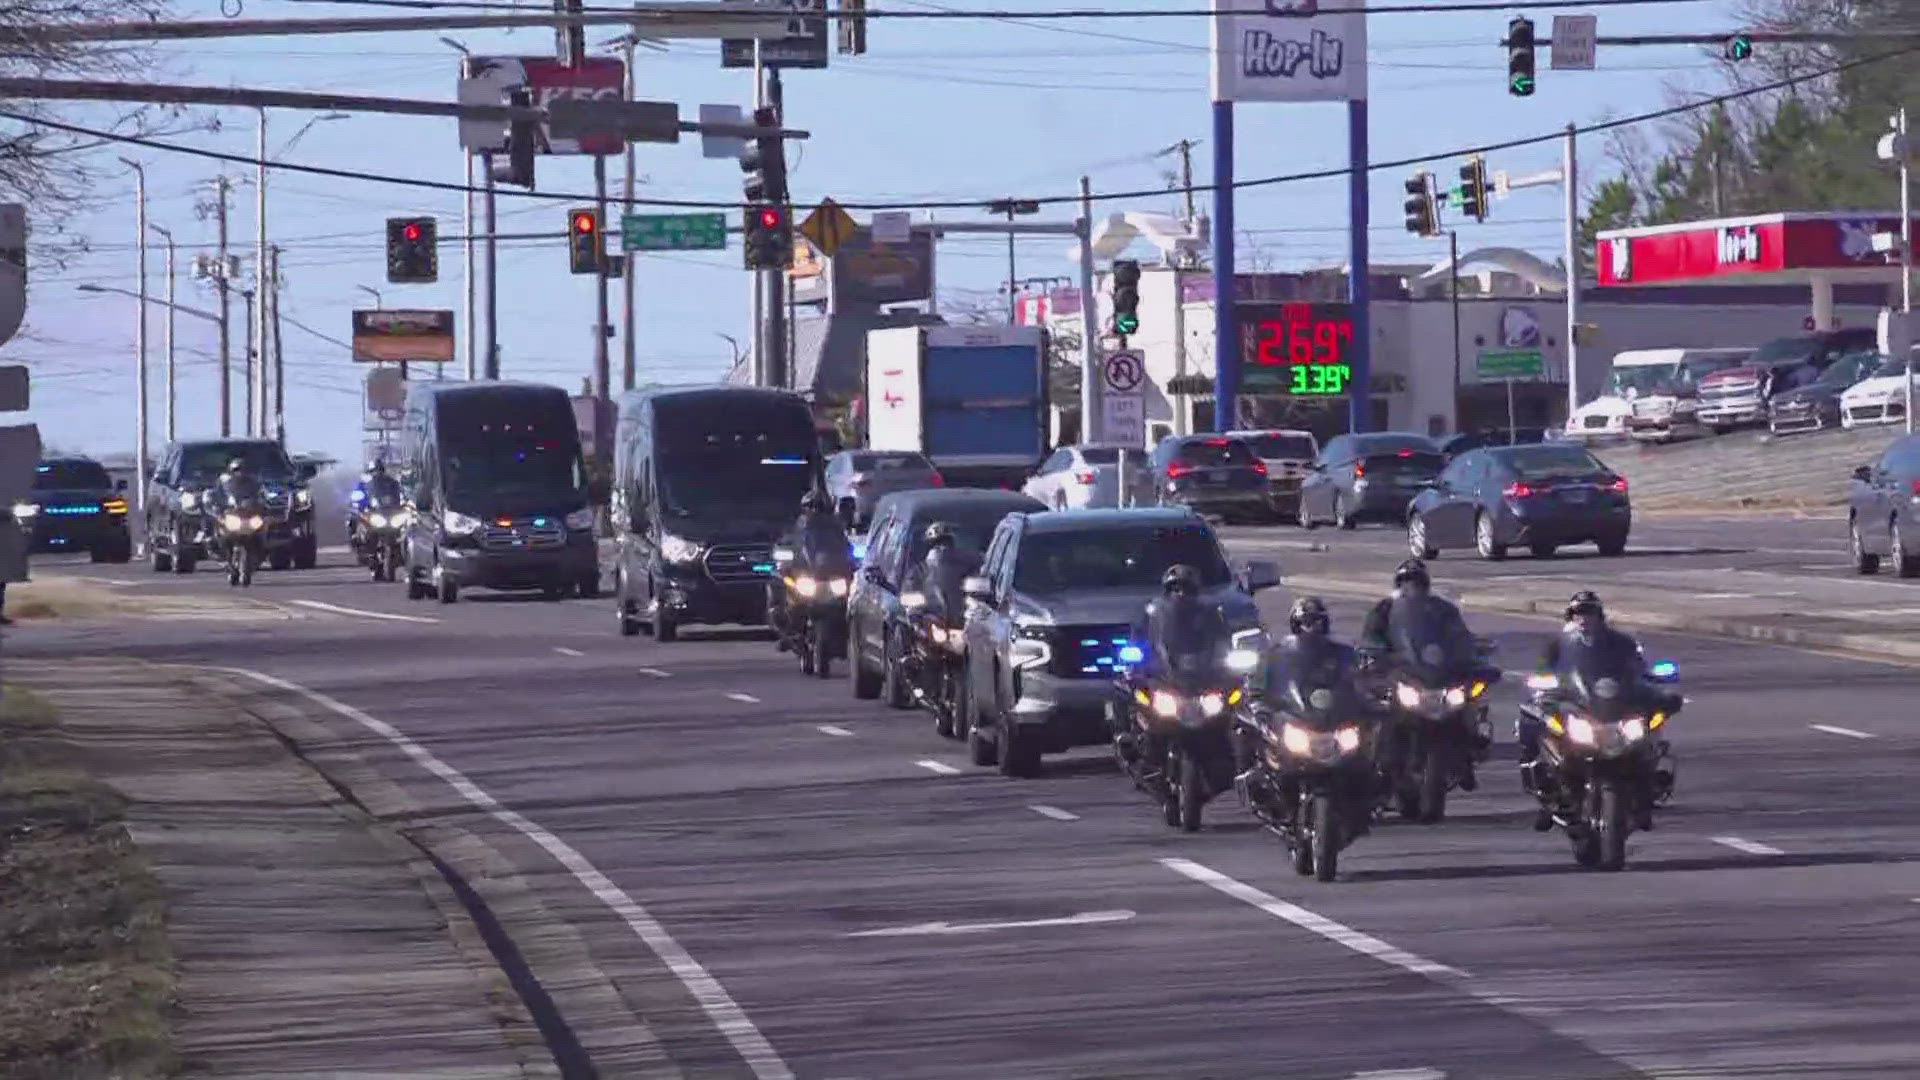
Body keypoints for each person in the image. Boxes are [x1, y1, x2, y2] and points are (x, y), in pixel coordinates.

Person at [769, 490, 852, 650]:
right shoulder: (798, 527)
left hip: (829, 575)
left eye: (820, 507)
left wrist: (852, 559)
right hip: (806, 573)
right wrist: (784, 556)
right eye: (812, 506)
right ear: (804, 508)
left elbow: (847, 548)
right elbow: (786, 544)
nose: (816, 510)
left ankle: (845, 637)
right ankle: (789, 631)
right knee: (780, 587)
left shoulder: (836, 528)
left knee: (850, 601)